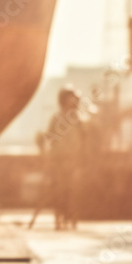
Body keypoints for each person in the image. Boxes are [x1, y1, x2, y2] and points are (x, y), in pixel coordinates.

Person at [43, 86, 87, 230]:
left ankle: (73, 218)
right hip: (59, 160)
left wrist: (81, 160)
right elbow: (49, 137)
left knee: (73, 191)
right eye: (70, 97)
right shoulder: (56, 118)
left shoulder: (78, 119)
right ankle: (58, 219)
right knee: (59, 191)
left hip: (73, 161)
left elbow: (83, 141)